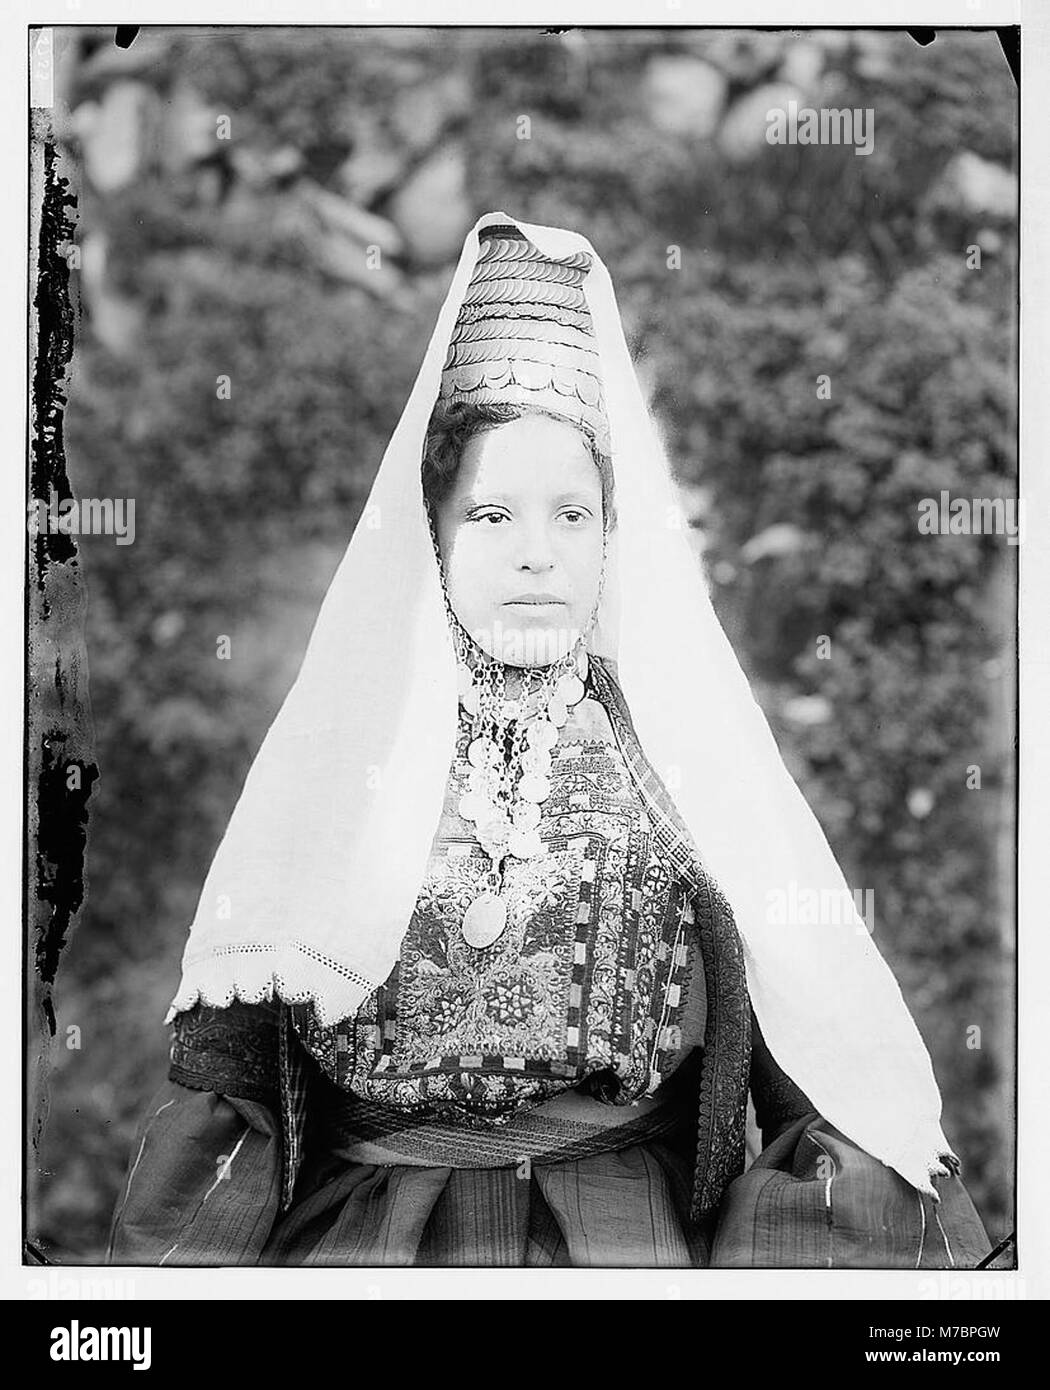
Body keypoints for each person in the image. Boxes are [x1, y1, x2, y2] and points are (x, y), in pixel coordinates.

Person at [107, 212, 992, 1268]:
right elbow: (231, 1096)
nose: (537, 553)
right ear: (431, 528)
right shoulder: (342, 761)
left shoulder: (680, 761)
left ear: (613, 534)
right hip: (369, 1248)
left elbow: (826, 1067)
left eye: (572, 515)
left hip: (618, 1250)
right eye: (492, 515)